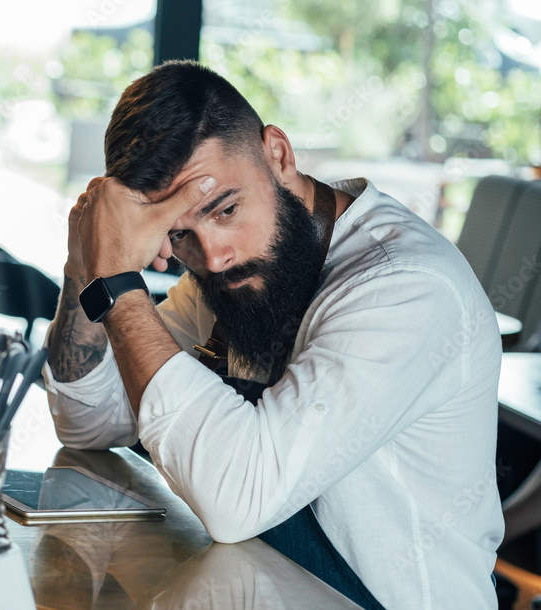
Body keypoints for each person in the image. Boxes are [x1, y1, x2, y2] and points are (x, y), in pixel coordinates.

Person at [43, 60, 505, 609]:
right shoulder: (235, 277)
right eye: (179, 235)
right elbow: (88, 422)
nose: (214, 255)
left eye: (227, 209)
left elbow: (238, 496)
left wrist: (118, 283)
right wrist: (84, 264)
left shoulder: (404, 286)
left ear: (278, 155)